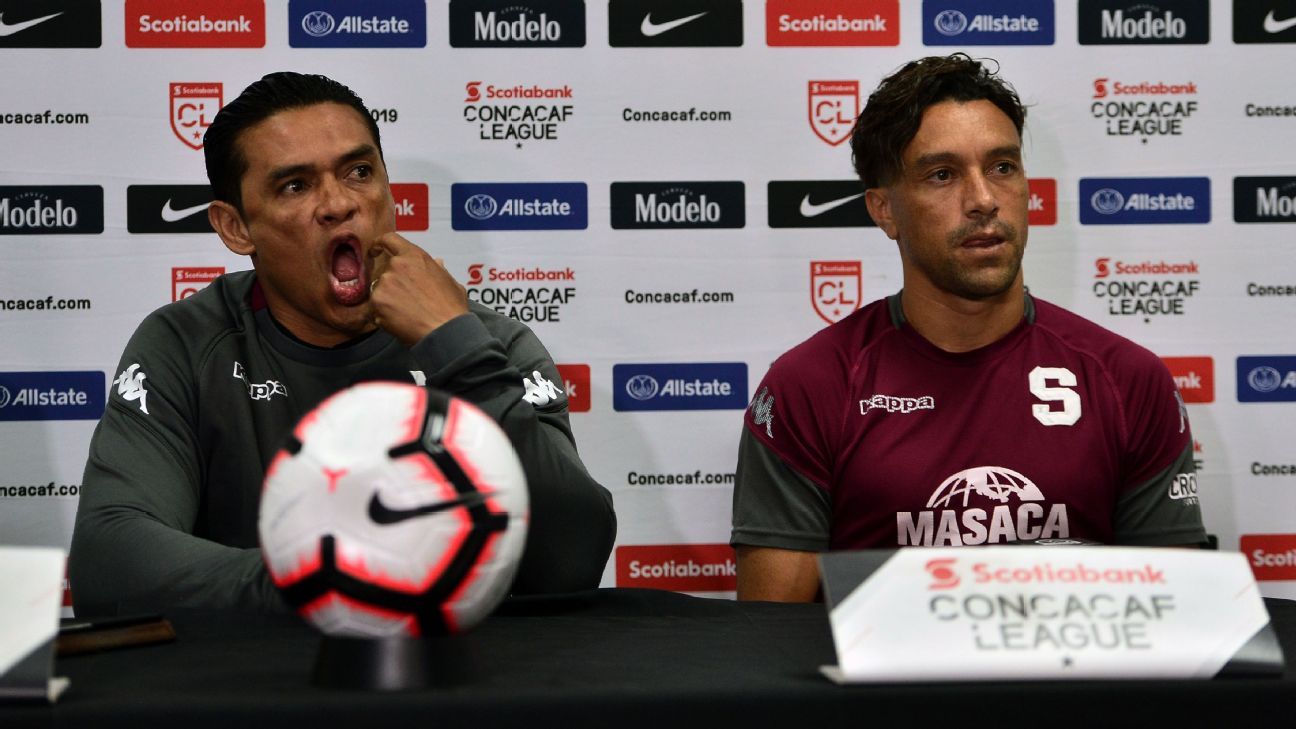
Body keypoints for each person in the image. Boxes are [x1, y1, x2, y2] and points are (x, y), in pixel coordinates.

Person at [70, 72, 616, 615]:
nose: (338, 205)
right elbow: (108, 560)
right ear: (236, 228)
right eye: (295, 186)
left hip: (452, 686)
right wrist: (330, 580)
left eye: (358, 172)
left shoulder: (484, 342)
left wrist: (456, 351)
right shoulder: (187, 345)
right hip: (259, 687)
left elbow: (570, 560)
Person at [731, 54, 1206, 602]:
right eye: (942, 174)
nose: (983, 200)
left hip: (1074, 687)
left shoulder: (1128, 381)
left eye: (1002, 167)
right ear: (884, 210)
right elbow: (770, 641)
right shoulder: (810, 386)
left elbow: (1173, 622)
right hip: (880, 691)